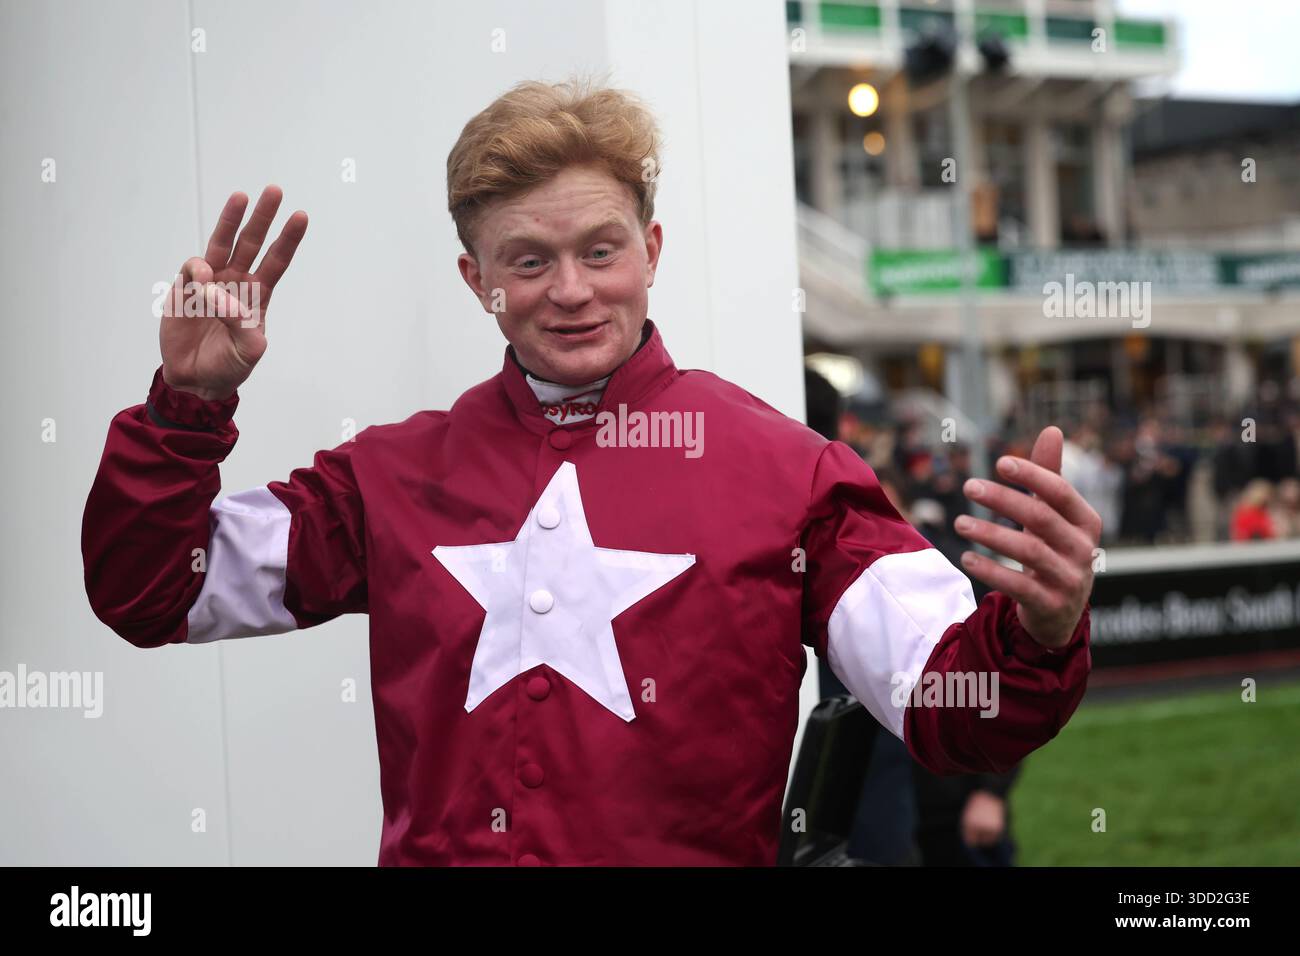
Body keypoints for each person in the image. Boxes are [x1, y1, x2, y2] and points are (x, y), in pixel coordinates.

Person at [81, 76, 1097, 866]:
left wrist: (1039, 627)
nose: (569, 291)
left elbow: (955, 705)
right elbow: (149, 590)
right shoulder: (385, 475)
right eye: (527, 261)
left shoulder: (794, 473)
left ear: (650, 249)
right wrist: (188, 406)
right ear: (475, 280)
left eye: (600, 249)